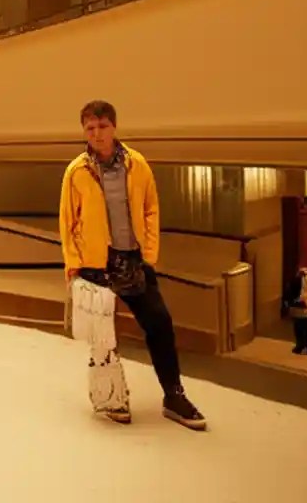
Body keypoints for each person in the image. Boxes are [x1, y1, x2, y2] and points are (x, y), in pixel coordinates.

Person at [59, 100, 207, 430]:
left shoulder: (136, 164)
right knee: (102, 338)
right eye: (90, 128)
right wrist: (73, 268)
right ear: (84, 131)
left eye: (102, 126)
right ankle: (110, 398)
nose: (96, 134)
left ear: (114, 127)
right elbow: (67, 222)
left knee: (160, 324)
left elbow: (151, 208)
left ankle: (174, 395)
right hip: (95, 267)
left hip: (134, 262)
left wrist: (149, 256)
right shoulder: (77, 172)